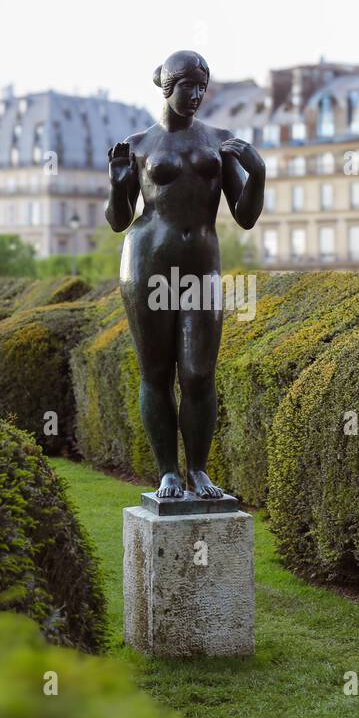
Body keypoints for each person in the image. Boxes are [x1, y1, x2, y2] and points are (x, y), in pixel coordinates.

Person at [106, 50, 265, 499]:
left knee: (198, 372)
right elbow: (118, 220)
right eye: (187, 87)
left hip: (200, 267)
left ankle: (198, 469)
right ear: (167, 88)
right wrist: (117, 183)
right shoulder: (137, 145)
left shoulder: (220, 140)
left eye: (202, 87)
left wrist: (259, 173)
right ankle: (168, 472)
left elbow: (246, 215)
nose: (195, 95)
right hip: (145, 264)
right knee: (156, 372)